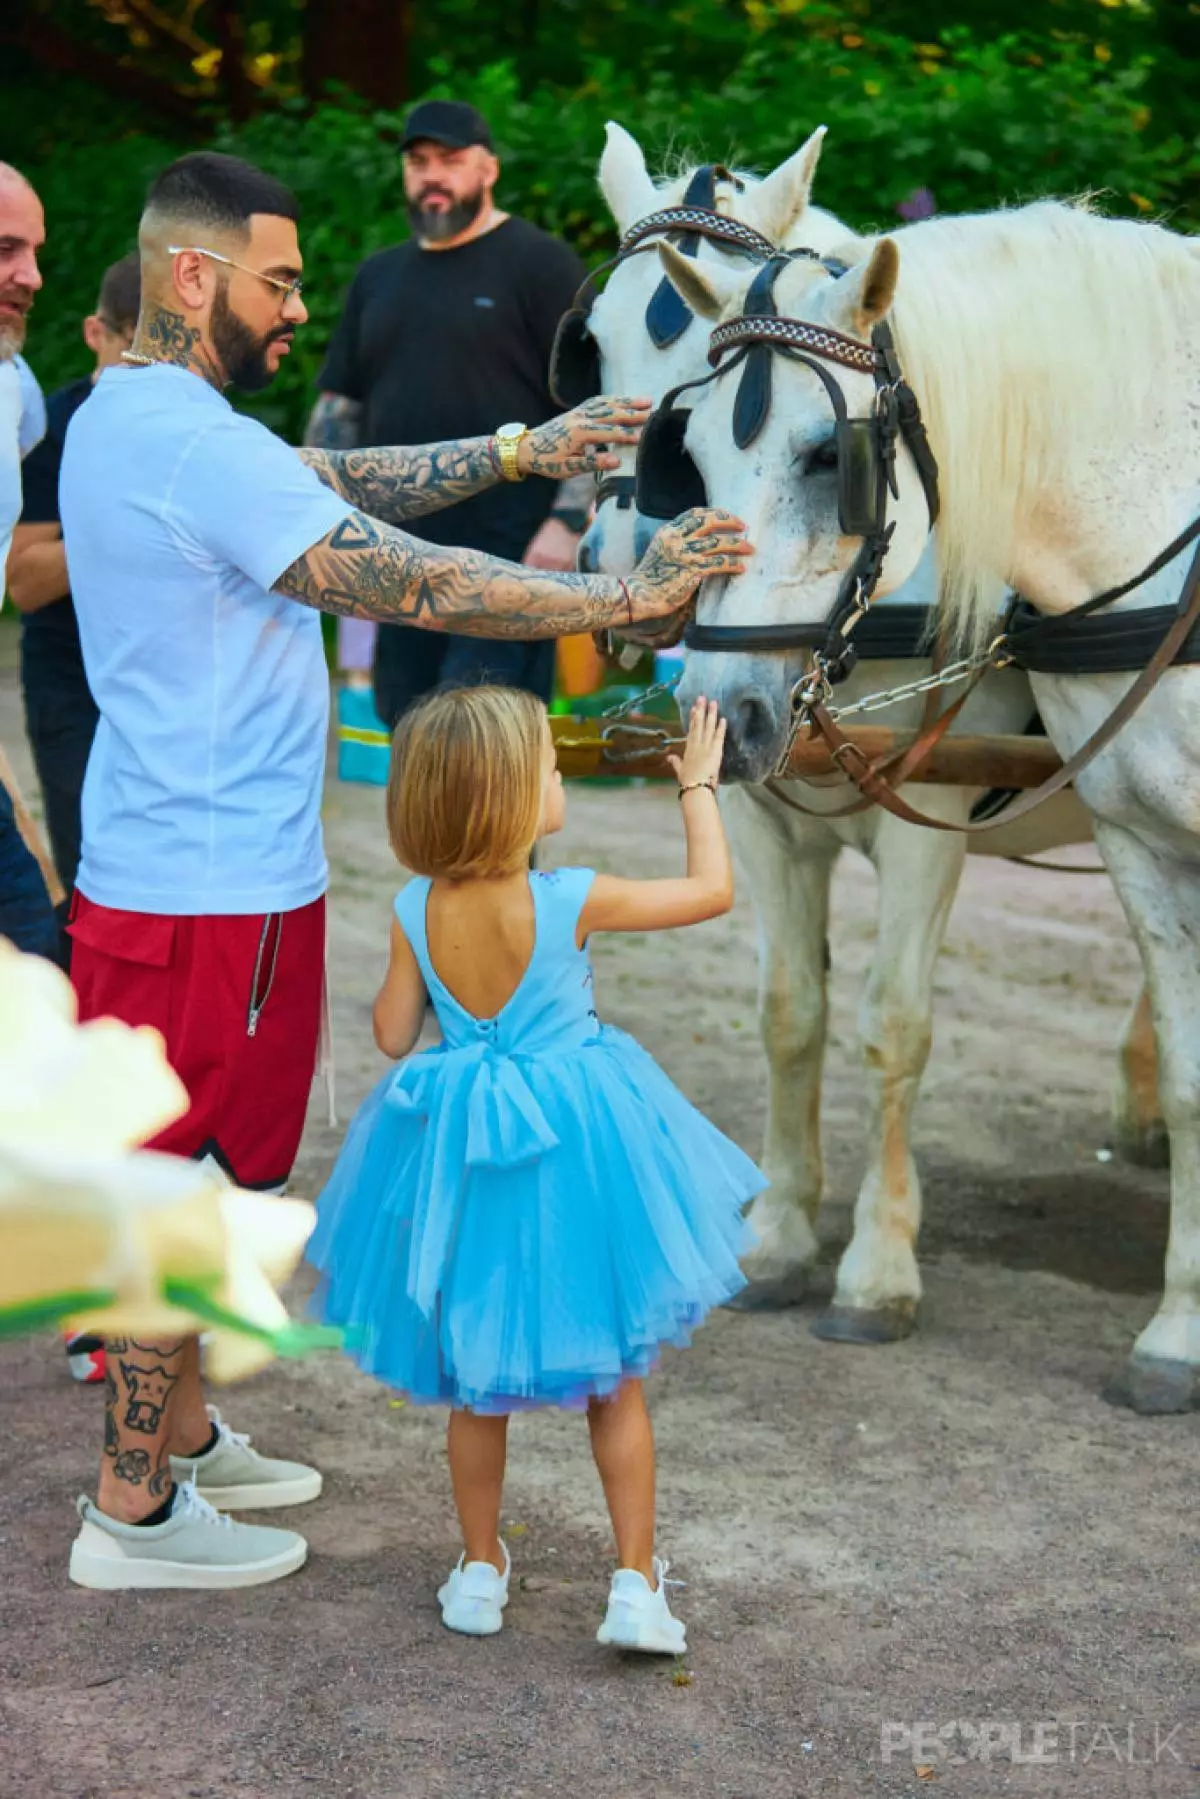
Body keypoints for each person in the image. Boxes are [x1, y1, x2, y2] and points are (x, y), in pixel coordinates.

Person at [60, 148, 750, 1592]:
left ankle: (179, 1435)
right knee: (182, 1181)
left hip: (192, 875)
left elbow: (332, 478)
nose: (298, 307)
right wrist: (628, 595)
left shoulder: (151, 419)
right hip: (207, 894)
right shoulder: (192, 442)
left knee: (215, 1166)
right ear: (194, 275)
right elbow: (408, 575)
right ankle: (130, 1506)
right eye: (278, 279)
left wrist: (520, 452)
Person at [307, 686, 764, 1651]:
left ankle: (479, 1570)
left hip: (468, 1157)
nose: (562, 780)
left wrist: (445, 996)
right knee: (617, 1376)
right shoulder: (571, 898)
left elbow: (393, 1033)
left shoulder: (411, 903)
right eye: (551, 771)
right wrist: (699, 787)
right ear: (510, 800)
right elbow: (712, 893)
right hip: (580, 1149)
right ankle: (635, 1585)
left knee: (476, 1381)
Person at [307, 99, 594, 727]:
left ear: (488, 169)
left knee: (486, 743)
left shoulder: (541, 264)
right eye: (418, 162)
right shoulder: (378, 276)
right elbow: (339, 407)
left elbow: (590, 407)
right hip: (397, 559)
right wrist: (319, 517)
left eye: (451, 161)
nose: (432, 175)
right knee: (406, 731)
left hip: (506, 559)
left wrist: (568, 521)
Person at [10, 255, 140, 926]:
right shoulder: (50, 426)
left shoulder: (187, 422)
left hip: (157, 683)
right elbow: (23, 581)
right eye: (132, 347)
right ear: (97, 333)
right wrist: (116, 518)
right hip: (71, 682)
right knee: (91, 885)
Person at [0, 162, 59, 966]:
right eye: (7, 249)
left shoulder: (17, 388)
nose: (33, 277)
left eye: (35, 252)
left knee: (42, 959)